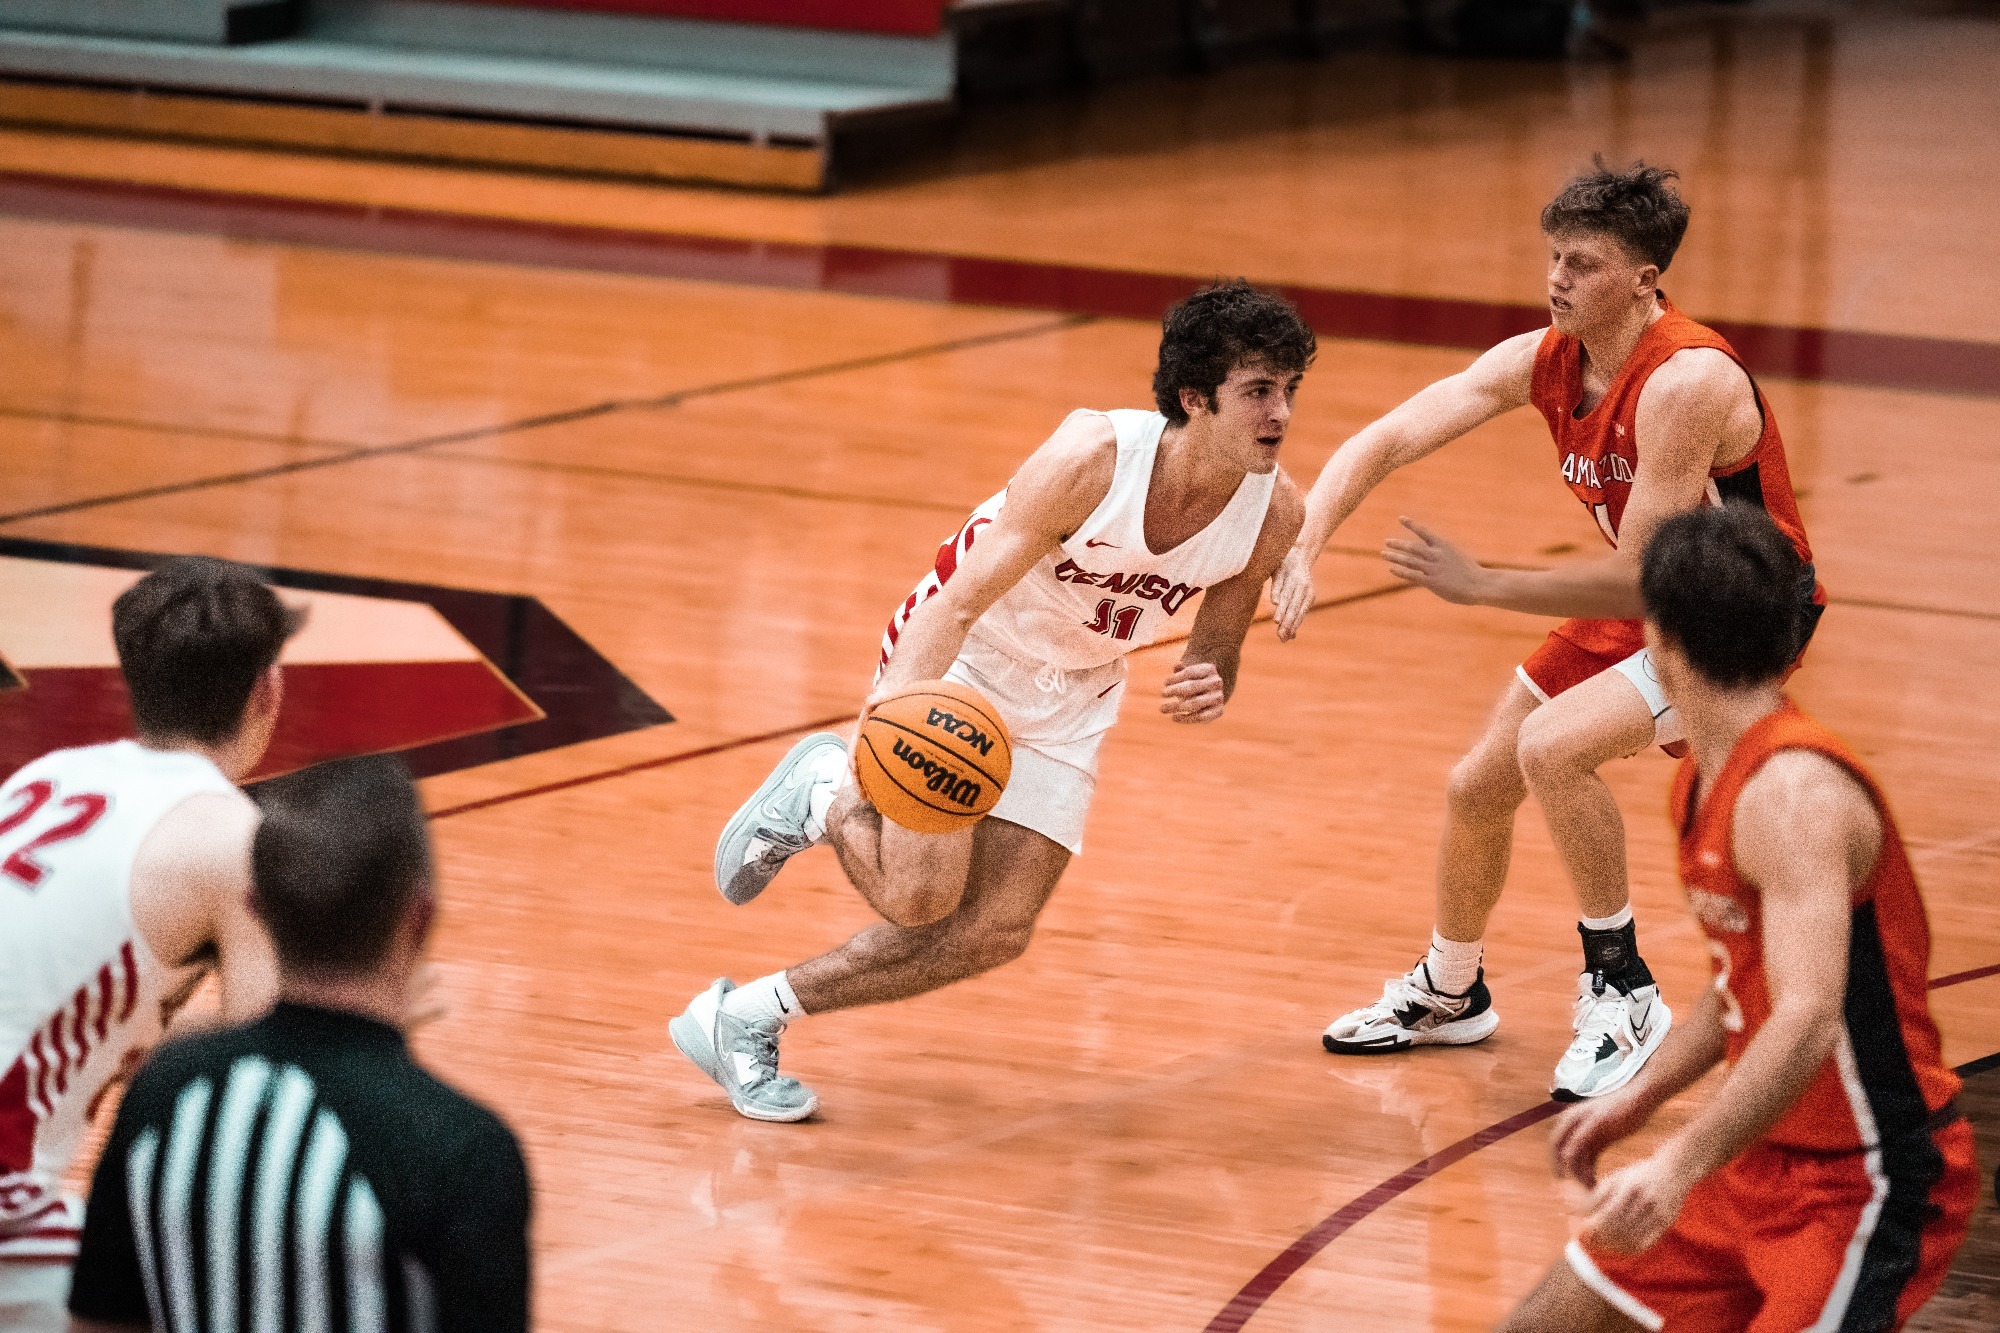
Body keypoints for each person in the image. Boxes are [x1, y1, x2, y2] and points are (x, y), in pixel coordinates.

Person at [675, 280, 1312, 1122]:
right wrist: (881, 735)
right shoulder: (1092, 458)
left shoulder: (1274, 514)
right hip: (967, 661)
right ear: (1196, 398)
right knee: (918, 898)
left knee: (995, 930)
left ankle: (742, 1018)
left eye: (1290, 390)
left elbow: (1214, 650)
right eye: (1258, 391)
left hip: (1075, 691)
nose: (1281, 414)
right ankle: (826, 791)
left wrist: (1210, 681)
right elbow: (959, 604)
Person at [1274, 160, 1823, 1100]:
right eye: (1554, 257)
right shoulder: (1548, 359)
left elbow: (1641, 571)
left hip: (1735, 612)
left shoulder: (1686, 380)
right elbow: (1389, 436)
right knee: (1476, 784)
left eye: (1584, 263)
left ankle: (1624, 990)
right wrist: (1306, 543)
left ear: (1646, 278)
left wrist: (1484, 585)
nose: (1558, 278)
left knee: (1552, 749)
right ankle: (1454, 987)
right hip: (1656, 596)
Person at [1501, 504, 1976, 1332]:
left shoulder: (1792, 796)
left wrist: (1680, 1157)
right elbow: (1740, 994)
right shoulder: (1703, 776)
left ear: (1663, 643)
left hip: (1865, 1182)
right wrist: (1639, 1099)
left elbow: (1804, 1018)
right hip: (1758, 1157)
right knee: (1546, 1320)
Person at [67, 754, 532, 1333]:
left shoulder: (162, 1093)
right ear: (420, 918)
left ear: (254, 909)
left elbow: (97, 1324)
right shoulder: (461, 1148)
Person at [0, 557, 292, 1332]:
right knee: (198, 1295)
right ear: (269, 690)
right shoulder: (234, 838)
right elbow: (269, 1071)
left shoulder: (48, 774)